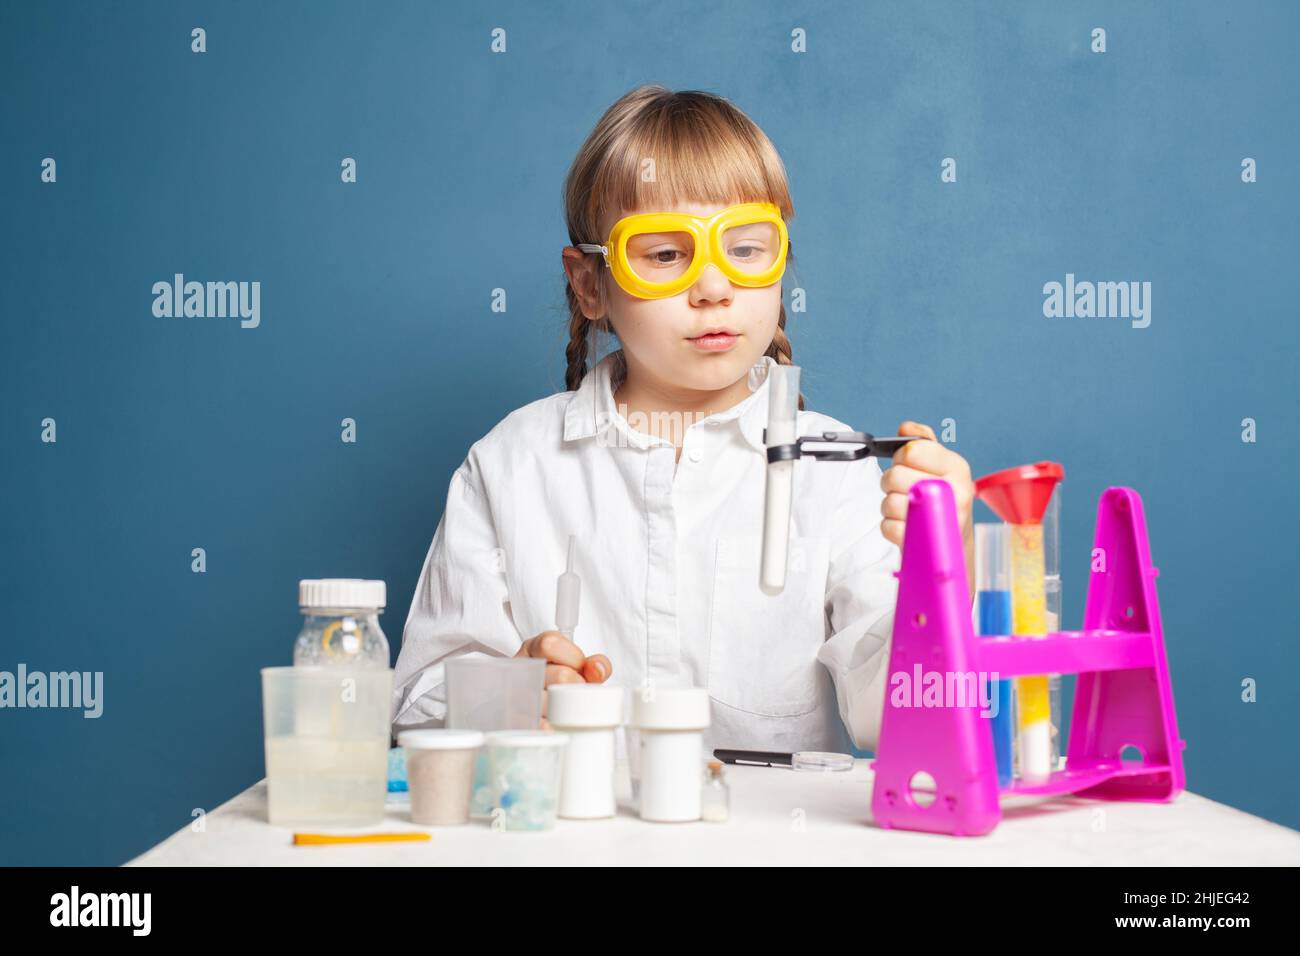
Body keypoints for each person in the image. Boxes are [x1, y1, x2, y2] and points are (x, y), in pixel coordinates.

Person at [391, 85, 974, 753]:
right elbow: (416, 707)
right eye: (666, 254)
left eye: (746, 248)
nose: (714, 287)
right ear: (590, 284)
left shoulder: (836, 475)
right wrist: (511, 694)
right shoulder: (510, 465)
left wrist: (941, 572)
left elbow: (892, 717)